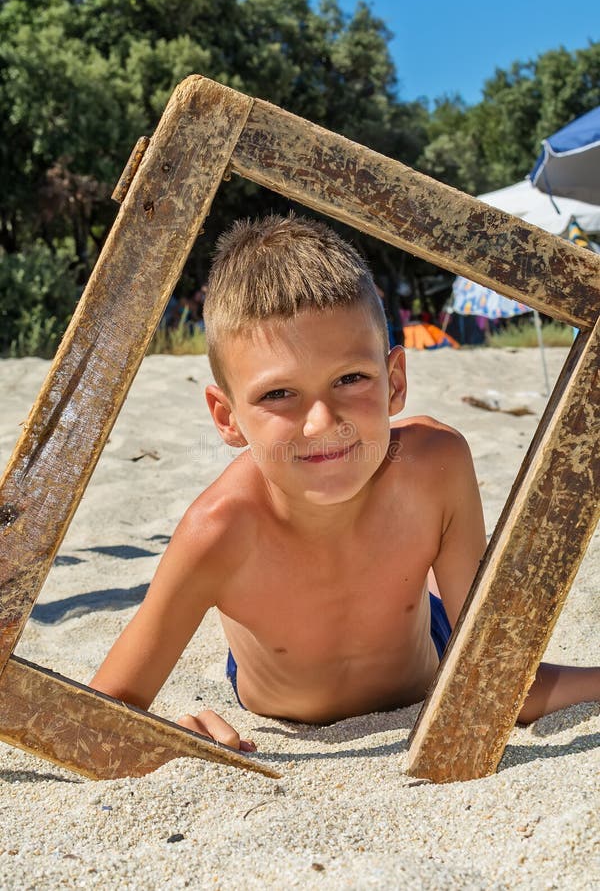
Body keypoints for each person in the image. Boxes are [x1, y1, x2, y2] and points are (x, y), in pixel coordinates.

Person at [90, 214, 600, 753]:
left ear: (394, 382)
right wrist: (171, 739)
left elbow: (504, 684)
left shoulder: (436, 468)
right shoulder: (218, 531)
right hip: (270, 693)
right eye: (278, 394)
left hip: (431, 645)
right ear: (227, 417)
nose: (322, 423)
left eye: (350, 379)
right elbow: (99, 713)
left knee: (437, 596)